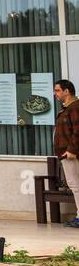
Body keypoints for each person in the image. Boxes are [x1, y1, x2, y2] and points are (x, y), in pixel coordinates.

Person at [53, 79, 79, 228]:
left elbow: (77, 130)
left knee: (76, 186)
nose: (55, 94)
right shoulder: (68, 108)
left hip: (71, 154)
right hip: (67, 153)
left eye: (57, 90)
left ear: (66, 91)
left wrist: (71, 150)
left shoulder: (74, 107)